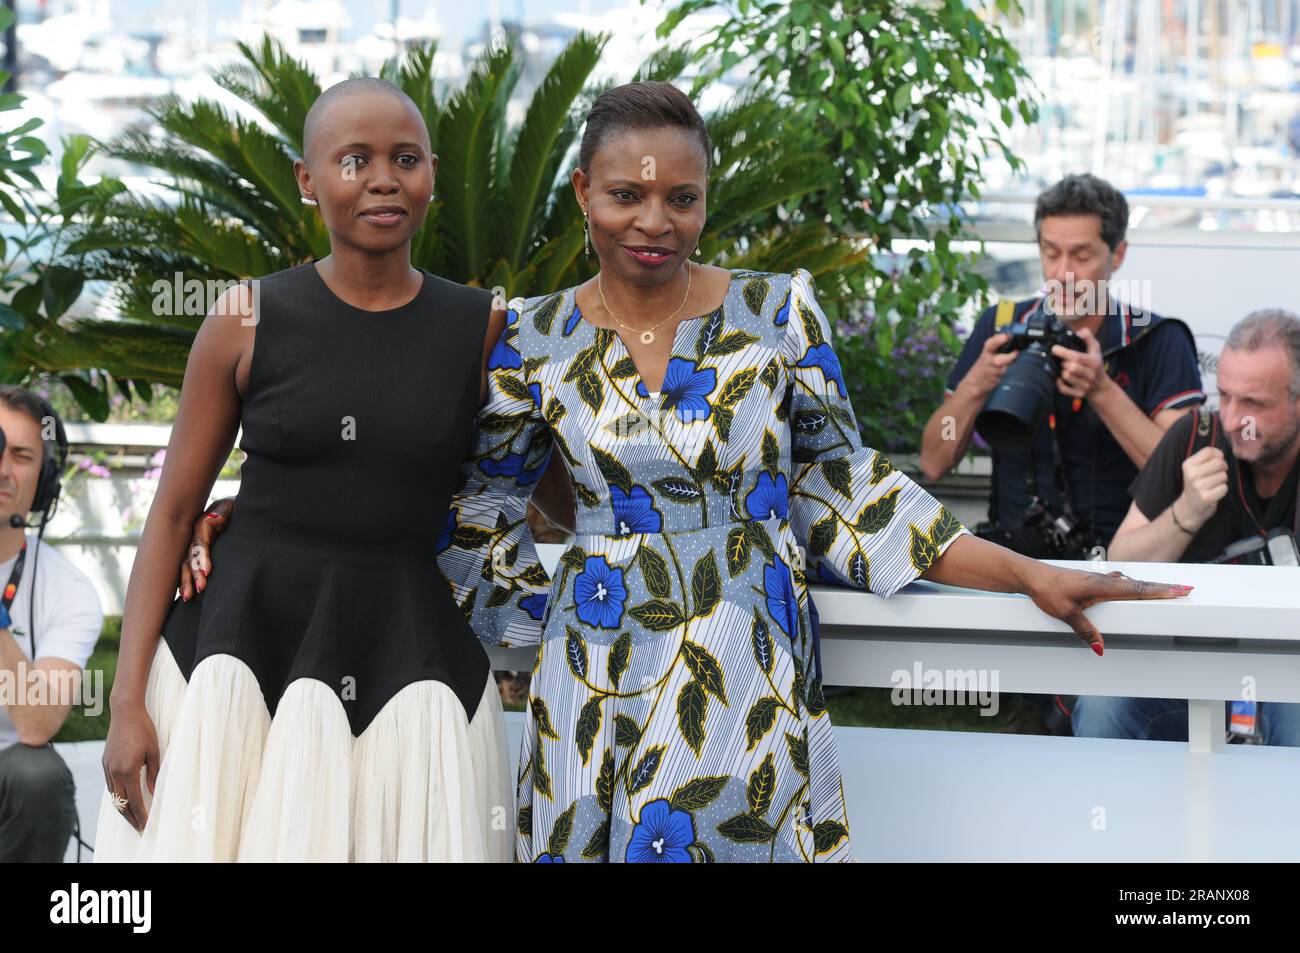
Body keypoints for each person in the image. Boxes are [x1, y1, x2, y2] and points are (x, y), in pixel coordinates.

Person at [186, 84, 1192, 863]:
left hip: (748, 671)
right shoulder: (532, 336)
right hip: (592, 690)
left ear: (706, 197)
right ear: (584, 192)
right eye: (626, 194)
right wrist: (545, 640)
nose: (653, 220)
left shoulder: (780, 311)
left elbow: (845, 490)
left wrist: (1025, 573)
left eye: (682, 196)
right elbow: (471, 513)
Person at [93, 77, 518, 861]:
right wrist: (125, 703)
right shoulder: (244, 318)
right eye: (354, 159)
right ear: (306, 178)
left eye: (408, 158)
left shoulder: (484, 325)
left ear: (432, 176)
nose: (384, 178)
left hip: (407, 656)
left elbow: (537, 484)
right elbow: (173, 511)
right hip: (239, 655)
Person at [920, 174, 1206, 556]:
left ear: (1117, 254)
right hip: (1016, 563)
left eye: (1082, 256)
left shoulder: (1156, 339)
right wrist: (975, 386)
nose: (1062, 274)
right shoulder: (1002, 325)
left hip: (1123, 561)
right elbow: (935, 460)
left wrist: (1102, 390)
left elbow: (1183, 477)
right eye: (1051, 253)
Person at [1076, 309, 1300, 746]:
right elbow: (1120, 568)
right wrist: (1186, 512)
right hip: (1191, 663)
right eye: (1226, 395)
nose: (1234, 419)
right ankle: (1110, 815)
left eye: (1254, 403)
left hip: (1291, 669)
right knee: (1104, 707)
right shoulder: (1196, 435)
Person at [0, 387, 103, 862]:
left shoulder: (70, 590)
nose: (3, 468)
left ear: (45, 480)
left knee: (37, 774)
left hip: (7, 771)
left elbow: (38, 724)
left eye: (21, 455)